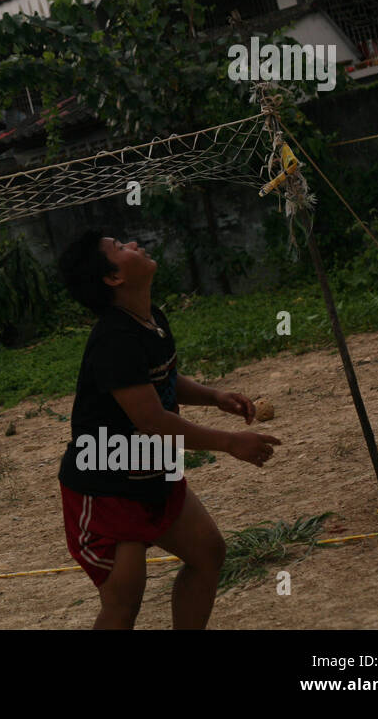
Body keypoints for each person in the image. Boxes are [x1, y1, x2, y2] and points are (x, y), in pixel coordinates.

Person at [55, 229, 281, 629]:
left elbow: (162, 380)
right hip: (106, 486)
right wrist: (230, 442)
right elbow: (153, 420)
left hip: (153, 472)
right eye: (119, 248)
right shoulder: (114, 340)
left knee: (208, 554)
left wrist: (214, 396)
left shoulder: (150, 317)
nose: (133, 244)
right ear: (113, 278)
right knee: (123, 604)